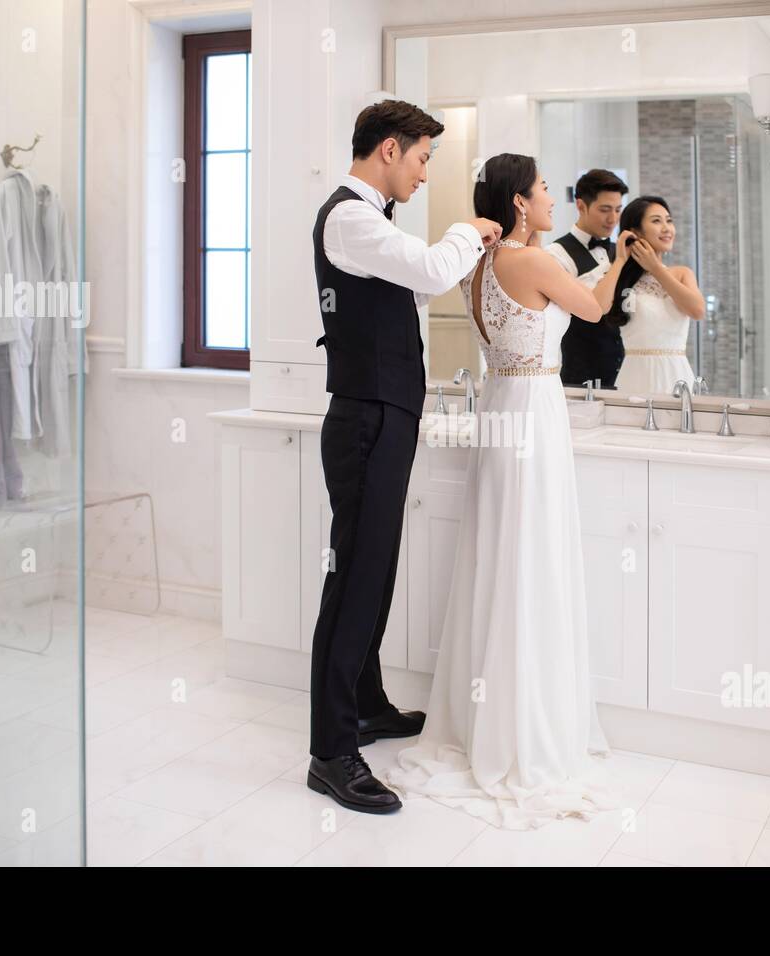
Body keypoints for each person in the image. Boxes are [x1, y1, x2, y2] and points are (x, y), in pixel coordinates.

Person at [384, 154, 622, 830]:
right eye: (546, 189)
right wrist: (619, 257)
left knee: (500, 554)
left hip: (501, 405)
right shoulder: (535, 262)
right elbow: (598, 310)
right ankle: (527, 731)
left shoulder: (483, 263)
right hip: (534, 412)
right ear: (521, 202)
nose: (554, 197)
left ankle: (490, 715)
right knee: (533, 557)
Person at [307, 99, 502, 814]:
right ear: (389, 150)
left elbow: (408, 290)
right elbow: (427, 273)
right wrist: (466, 231)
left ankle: (366, 702)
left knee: (375, 571)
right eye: (422, 159)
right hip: (364, 421)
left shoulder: (371, 223)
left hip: (385, 418)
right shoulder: (350, 217)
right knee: (355, 577)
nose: (424, 174)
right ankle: (331, 751)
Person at [593, 195, 706, 397]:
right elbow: (597, 308)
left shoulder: (682, 273)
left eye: (669, 221)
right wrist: (619, 261)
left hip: (677, 378)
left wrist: (655, 268)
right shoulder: (616, 273)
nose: (666, 228)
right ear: (635, 232)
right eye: (656, 221)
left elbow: (697, 311)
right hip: (634, 377)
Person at [546, 169, 630, 389]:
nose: (613, 219)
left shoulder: (618, 251)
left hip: (625, 378)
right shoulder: (557, 254)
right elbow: (591, 307)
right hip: (579, 380)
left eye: (618, 210)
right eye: (604, 210)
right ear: (581, 206)